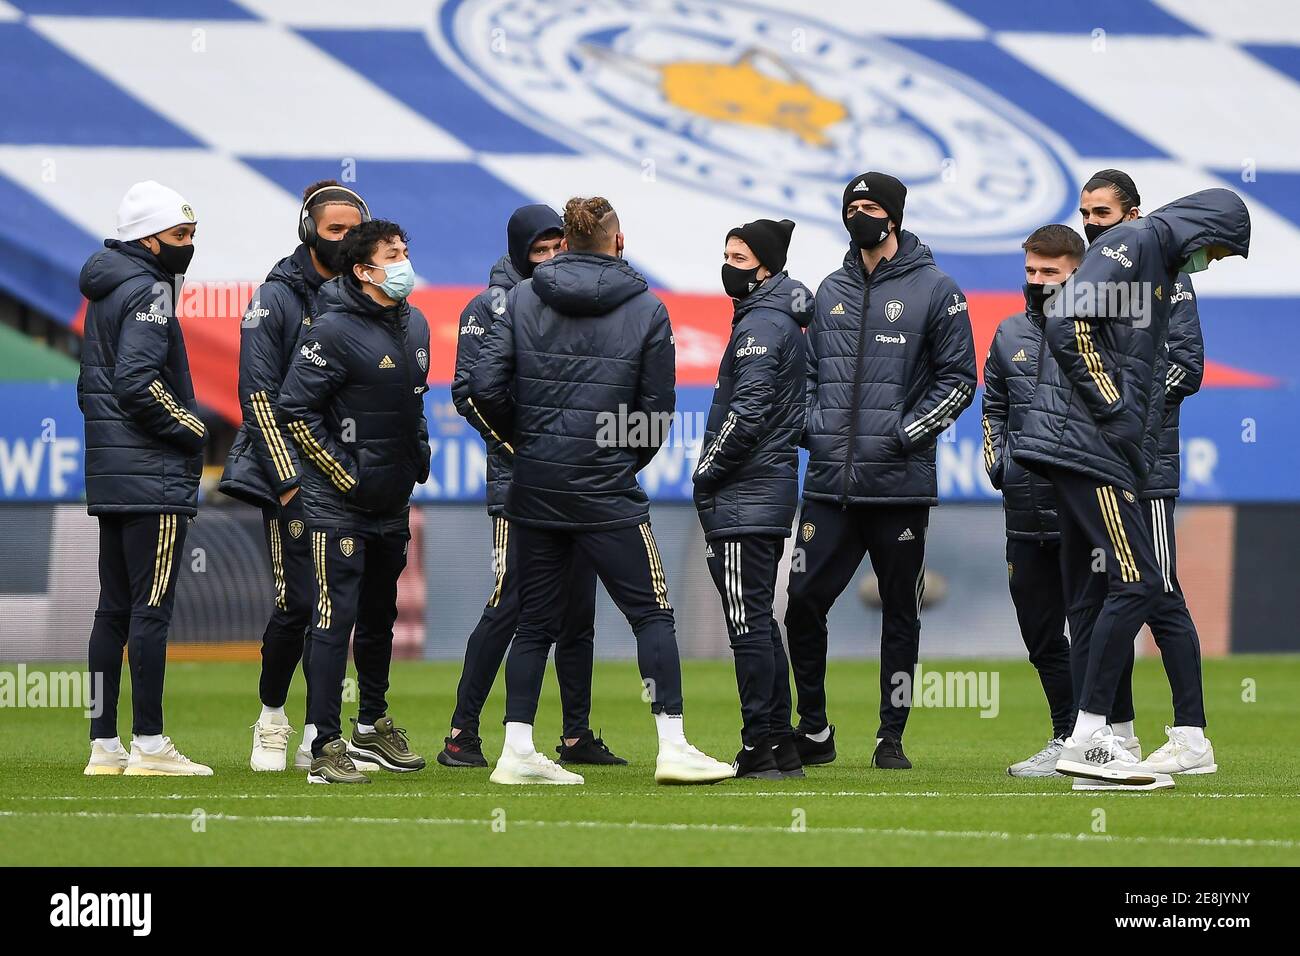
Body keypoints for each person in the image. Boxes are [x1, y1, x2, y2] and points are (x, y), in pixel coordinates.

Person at [471, 196, 733, 786]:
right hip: (606, 489)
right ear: (618, 241)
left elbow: (482, 387)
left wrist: (531, 444)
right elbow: (656, 412)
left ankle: (516, 750)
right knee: (652, 613)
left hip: (535, 487)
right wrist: (619, 458)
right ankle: (673, 746)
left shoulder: (521, 297)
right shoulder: (646, 308)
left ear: (565, 243)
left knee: (534, 622)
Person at [1012, 188, 1250, 785]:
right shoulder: (1136, 242)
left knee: (1118, 589)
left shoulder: (1153, 260)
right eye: (1218, 251)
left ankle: (1098, 738)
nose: (1212, 262)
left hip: (1094, 448)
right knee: (1141, 582)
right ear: (1204, 231)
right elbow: (1067, 319)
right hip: (1089, 447)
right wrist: (1114, 406)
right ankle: (1094, 739)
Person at [786, 171, 976, 770]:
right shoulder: (830, 289)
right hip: (828, 486)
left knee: (900, 612)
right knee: (801, 603)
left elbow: (959, 380)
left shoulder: (937, 289)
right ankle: (814, 729)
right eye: (852, 206)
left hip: (898, 488)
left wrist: (905, 435)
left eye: (869, 207)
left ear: (893, 217)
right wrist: (812, 428)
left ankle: (890, 737)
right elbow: (807, 375)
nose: (858, 215)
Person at [443, 204, 622, 769]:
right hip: (520, 486)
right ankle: (461, 734)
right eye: (538, 251)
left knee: (579, 612)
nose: (548, 259)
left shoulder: (576, 299)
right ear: (519, 254)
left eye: (556, 248)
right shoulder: (489, 306)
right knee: (511, 602)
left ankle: (575, 735)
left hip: (578, 482)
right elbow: (468, 393)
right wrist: (528, 452)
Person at [220, 181, 369, 772]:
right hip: (290, 474)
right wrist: (287, 482)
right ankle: (272, 716)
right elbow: (258, 395)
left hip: (346, 473)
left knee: (339, 608)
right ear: (309, 231)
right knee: (297, 602)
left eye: (353, 230)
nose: (345, 239)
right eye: (335, 229)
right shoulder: (276, 298)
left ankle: (320, 733)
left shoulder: (366, 295)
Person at [276, 219, 432, 784]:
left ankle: (370, 725)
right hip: (337, 505)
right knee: (331, 618)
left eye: (405, 250)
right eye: (392, 255)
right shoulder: (331, 330)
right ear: (364, 270)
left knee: (379, 617)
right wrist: (344, 474)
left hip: (392, 500)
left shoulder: (416, 323)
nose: (403, 262)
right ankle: (323, 745)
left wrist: (418, 454)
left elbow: (414, 403)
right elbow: (295, 410)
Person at [1077, 170, 1214, 780]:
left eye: (1102, 214)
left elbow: (1187, 366)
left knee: (1158, 590)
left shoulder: (1167, 276)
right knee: (1109, 593)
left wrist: (1125, 414)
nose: (1091, 224)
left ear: (1133, 215)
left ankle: (1191, 736)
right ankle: (1120, 736)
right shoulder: (1095, 275)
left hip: (1146, 466)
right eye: (1085, 214)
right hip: (1099, 462)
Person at [79, 180, 211, 776]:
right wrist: (193, 429)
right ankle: (150, 744)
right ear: (147, 239)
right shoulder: (150, 290)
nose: (188, 245)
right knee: (150, 610)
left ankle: (103, 745)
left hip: (113, 471)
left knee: (111, 611)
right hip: (152, 475)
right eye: (179, 235)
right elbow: (136, 383)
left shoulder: (108, 288)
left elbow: (95, 386)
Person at [693, 218, 809, 780]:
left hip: (745, 494)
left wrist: (706, 472)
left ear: (766, 268)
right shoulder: (775, 316)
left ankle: (758, 745)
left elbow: (749, 412)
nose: (728, 268)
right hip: (764, 492)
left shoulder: (762, 324)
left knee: (746, 627)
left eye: (739, 259)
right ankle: (781, 746)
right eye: (726, 256)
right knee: (759, 621)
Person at [982, 224, 1086, 777]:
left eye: (1051, 271)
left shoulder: (1102, 329)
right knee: (1042, 635)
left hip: (1083, 511)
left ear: (1078, 272)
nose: (1038, 279)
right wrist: (1000, 464)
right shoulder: (1009, 333)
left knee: (1091, 629)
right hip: (1023, 510)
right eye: (1031, 270)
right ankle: (1066, 735)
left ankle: (1105, 737)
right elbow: (994, 407)